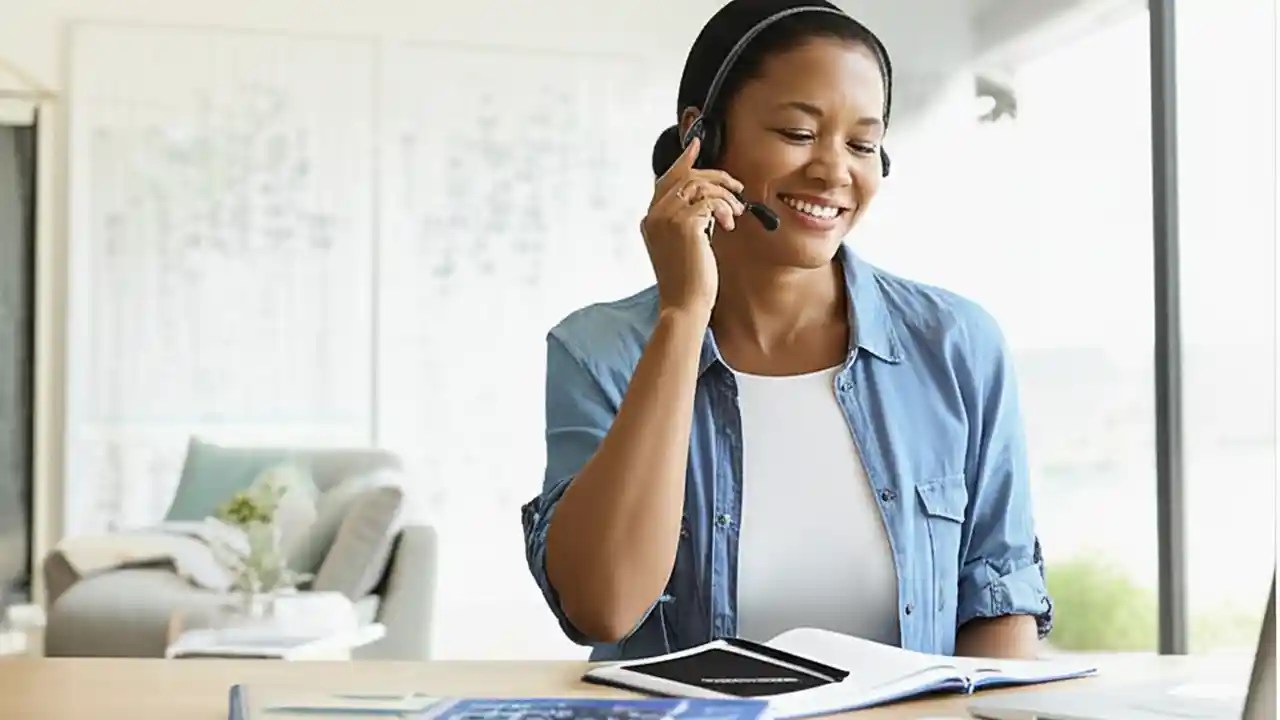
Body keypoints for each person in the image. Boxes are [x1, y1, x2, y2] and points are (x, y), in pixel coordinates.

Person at [520, 0, 1053, 662]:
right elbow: (603, 605)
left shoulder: (956, 345)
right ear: (701, 137)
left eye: (862, 144)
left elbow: (998, 602)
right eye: (798, 134)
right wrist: (683, 316)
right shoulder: (600, 351)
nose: (834, 171)